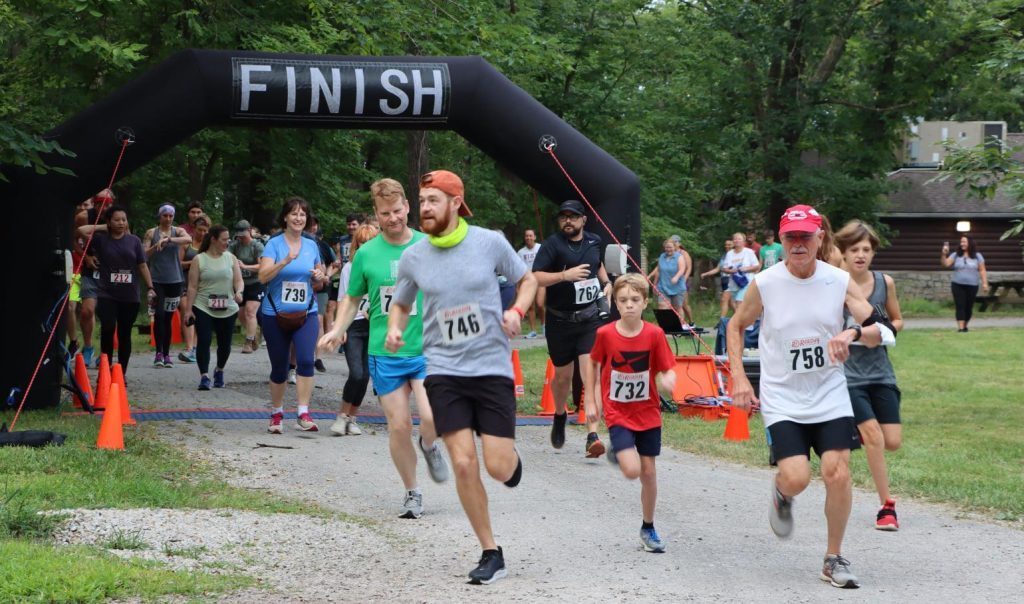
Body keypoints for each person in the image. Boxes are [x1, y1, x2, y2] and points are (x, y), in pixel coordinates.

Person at [386, 169, 536, 584]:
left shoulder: (489, 242)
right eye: (422, 201)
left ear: (455, 203)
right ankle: (490, 551)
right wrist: (396, 327)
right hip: (444, 371)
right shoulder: (414, 256)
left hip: (491, 369)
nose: (425, 208)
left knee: (498, 468)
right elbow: (401, 303)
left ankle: (510, 463)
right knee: (464, 464)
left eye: (433, 200)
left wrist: (517, 310)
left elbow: (528, 279)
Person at [728, 204, 882, 590]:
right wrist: (739, 378)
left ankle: (833, 557)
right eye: (790, 237)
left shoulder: (837, 280)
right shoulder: (766, 282)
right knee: (797, 477)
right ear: (781, 240)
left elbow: (877, 328)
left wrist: (852, 332)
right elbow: (736, 325)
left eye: (805, 236)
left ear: (819, 238)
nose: (798, 244)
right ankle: (783, 493)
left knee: (837, 472)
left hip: (829, 393)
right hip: (783, 396)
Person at [318, 178, 450, 519]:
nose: (392, 218)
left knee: (432, 417)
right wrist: (337, 329)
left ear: (407, 207)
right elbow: (352, 299)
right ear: (376, 215)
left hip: (426, 349)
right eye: (385, 213)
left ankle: (429, 444)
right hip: (385, 353)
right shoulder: (366, 254)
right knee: (399, 426)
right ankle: (412, 492)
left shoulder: (428, 245)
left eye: (397, 211)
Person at [585, 273, 676, 553]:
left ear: (645, 302)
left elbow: (667, 367)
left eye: (635, 300)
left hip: (648, 413)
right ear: (615, 303)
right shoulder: (605, 334)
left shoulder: (654, 334)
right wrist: (591, 401)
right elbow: (592, 364)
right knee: (632, 469)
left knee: (648, 472)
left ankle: (648, 527)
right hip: (618, 413)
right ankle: (619, 449)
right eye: (623, 300)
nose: (629, 305)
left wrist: (668, 379)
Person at [835, 220, 904, 530]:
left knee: (892, 442)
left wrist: (883, 332)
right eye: (854, 250)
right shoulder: (834, 284)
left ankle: (851, 431)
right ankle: (886, 507)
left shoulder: (884, 282)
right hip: (848, 375)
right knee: (874, 436)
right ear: (843, 253)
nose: (860, 255)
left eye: (866, 249)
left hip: (881, 373)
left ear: (873, 252)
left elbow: (897, 320)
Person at [531, 199, 612, 457]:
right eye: (563, 216)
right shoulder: (552, 245)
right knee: (563, 377)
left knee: (591, 376)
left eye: (573, 216)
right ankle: (559, 413)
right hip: (559, 321)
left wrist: (606, 283)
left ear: (583, 220)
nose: (568, 221)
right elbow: (535, 276)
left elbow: (598, 264)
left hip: (589, 319)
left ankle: (592, 435)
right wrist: (564, 276)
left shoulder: (594, 241)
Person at [259, 197, 328, 433]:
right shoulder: (274, 244)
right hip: (274, 313)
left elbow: (319, 275)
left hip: (306, 312)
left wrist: (319, 276)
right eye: (294, 214)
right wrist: (285, 261)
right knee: (279, 366)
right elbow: (263, 276)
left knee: (307, 360)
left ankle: (303, 413)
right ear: (285, 217)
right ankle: (277, 413)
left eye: (303, 214)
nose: (299, 218)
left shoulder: (311, 245)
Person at [76, 205, 156, 375]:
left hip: (129, 295)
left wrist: (150, 287)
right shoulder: (101, 240)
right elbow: (80, 231)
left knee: (124, 333)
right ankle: (105, 371)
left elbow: (142, 265)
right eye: (117, 220)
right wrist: (102, 227)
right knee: (107, 328)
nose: (121, 223)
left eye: (124, 220)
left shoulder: (134, 241)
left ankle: (121, 372)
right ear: (109, 222)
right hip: (107, 293)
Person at [329, 223, 378, 436]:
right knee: (356, 373)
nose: (367, 247)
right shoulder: (349, 268)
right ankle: (342, 416)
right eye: (363, 243)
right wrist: (340, 327)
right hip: (354, 324)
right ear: (356, 245)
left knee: (366, 375)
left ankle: (353, 418)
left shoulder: (382, 267)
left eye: (371, 243)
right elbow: (343, 299)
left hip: (375, 325)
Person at [182, 224, 244, 390]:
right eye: (224, 240)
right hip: (203, 306)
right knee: (204, 340)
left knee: (225, 344)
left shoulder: (231, 258)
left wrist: (239, 292)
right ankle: (204, 376)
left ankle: (219, 370)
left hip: (228, 308)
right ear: (213, 240)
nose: (227, 242)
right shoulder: (199, 259)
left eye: (228, 239)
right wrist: (188, 310)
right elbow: (192, 286)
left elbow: (239, 280)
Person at [144, 205, 191, 368]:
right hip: (157, 280)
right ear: (160, 216)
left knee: (169, 317)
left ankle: (166, 354)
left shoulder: (178, 231)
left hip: (175, 280)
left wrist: (169, 240)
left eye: (171, 216)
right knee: (159, 315)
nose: (168, 219)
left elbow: (188, 239)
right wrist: (156, 246)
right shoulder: (151, 233)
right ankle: (158, 353)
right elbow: (144, 255)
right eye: (165, 215)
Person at [75, 190, 114, 367]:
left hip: (111, 272)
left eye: (108, 205)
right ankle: (88, 346)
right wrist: (86, 257)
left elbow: (127, 240)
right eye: (101, 204)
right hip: (91, 269)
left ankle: (106, 352)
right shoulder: (83, 217)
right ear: (95, 204)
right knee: (87, 311)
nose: (104, 208)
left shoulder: (117, 218)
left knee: (108, 314)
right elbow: (73, 238)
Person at [229, 220, 265, 353]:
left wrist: (245, 266)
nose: (241, 237)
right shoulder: (234, 245)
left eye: (243, 235)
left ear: (249, 231)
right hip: (240, 284)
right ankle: (253, 334)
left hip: (256, 283)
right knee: (241, 314)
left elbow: (262, 266)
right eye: (239, 235)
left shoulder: (257, 246)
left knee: (250, 311)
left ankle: (248, 342)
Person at [178, 214, 210, 363]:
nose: (202, 233)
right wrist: (194, 263)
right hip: (185, 282)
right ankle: (189, 347)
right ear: (194, 229)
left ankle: (195, 348)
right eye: (199, 230)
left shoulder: (209, 246)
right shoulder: (187, 243)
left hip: (202, 285)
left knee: (199, 314)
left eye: (205, 230)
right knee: (186, 308)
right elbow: (178, 263)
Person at [941, 235, 988, 332]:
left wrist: (985, 283)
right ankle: (961, 328)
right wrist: (943, 254)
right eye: (961, 242)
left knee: (968, 307)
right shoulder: (955, 255)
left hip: (972, 285)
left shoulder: (977, 256)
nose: (962, 244)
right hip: (957, 284)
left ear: (970, 243)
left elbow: (982, 270)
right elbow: (945, 264)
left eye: (964, 242)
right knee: (960, 306)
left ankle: (965, 326)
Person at [647, 238, 688, 324]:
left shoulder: (679, 257)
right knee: (662, 306)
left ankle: (680, 326)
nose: (668, 249)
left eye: (670, 247)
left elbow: (682, 269)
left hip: (677, 287)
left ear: (674, 247)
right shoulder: (662, 256)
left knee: (677, 307)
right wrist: (655, 284)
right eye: (667, 247)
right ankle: (666, 326)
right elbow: (658, 271)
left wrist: (676, 277)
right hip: (663, 286)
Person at [517, 228, 544, 338]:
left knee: (540, 304)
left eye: (530, 235)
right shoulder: (521, 252)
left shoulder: (540, 248)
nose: (528, 237)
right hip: (528, 281)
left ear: (534, 237)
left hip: (540, 278)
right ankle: (533, 331)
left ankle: (544, 326)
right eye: (526, 236)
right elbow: (518, 270)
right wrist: (518, 286)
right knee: (530, 306)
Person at [722, 232, 760, 310]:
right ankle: (746, 317)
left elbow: (757, 266)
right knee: (736, 305)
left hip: (747, 282)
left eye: (739, 239)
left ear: (744, 241)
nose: (737, 240)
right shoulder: (729, 254)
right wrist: (731, 271)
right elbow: (724, 268)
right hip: (734, 283)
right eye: (735, 239)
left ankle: (742, 318)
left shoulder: (749, 252)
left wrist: (746, 269)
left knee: (739, 302)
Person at [700, 238, 734, 318]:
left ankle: (722, 321)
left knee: (724, 300)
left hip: (731, 281)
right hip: (724, 281)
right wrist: (706, 274)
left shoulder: (735, 255)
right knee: (730, 303)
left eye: (729, 245)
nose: (727, 246)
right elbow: (717, 269)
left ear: (733, 245)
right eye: (726, 245)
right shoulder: (724, 256)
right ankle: (740, 318)